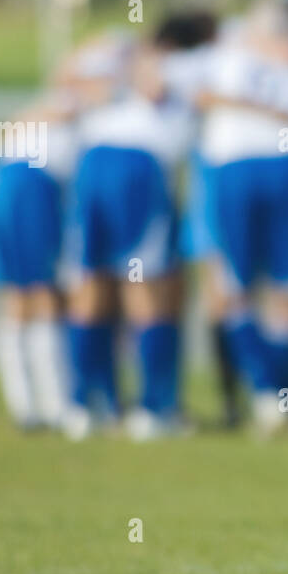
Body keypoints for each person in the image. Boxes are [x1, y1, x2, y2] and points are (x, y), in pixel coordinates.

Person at [192, 0, 288, 437]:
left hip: (240, 164)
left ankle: (271, 396)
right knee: (280, 290)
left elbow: (189, 89)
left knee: (238, 286)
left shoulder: (224, 50)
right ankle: (277, 399)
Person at [62, 22, 200, 440]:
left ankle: (87, 406)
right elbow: (153, 87)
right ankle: (150, 409)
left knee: (94, 282)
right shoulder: (166, 63)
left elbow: (67, 77)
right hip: (137, 167)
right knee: (141, 283)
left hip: (94, 165)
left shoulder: (115, 61)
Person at [0, 94, 80, 431]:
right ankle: (51, 407)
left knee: (30, 296)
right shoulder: (74, 104)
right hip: (29, 187)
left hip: (17, 186)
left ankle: (36, 408)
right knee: (36, 294)